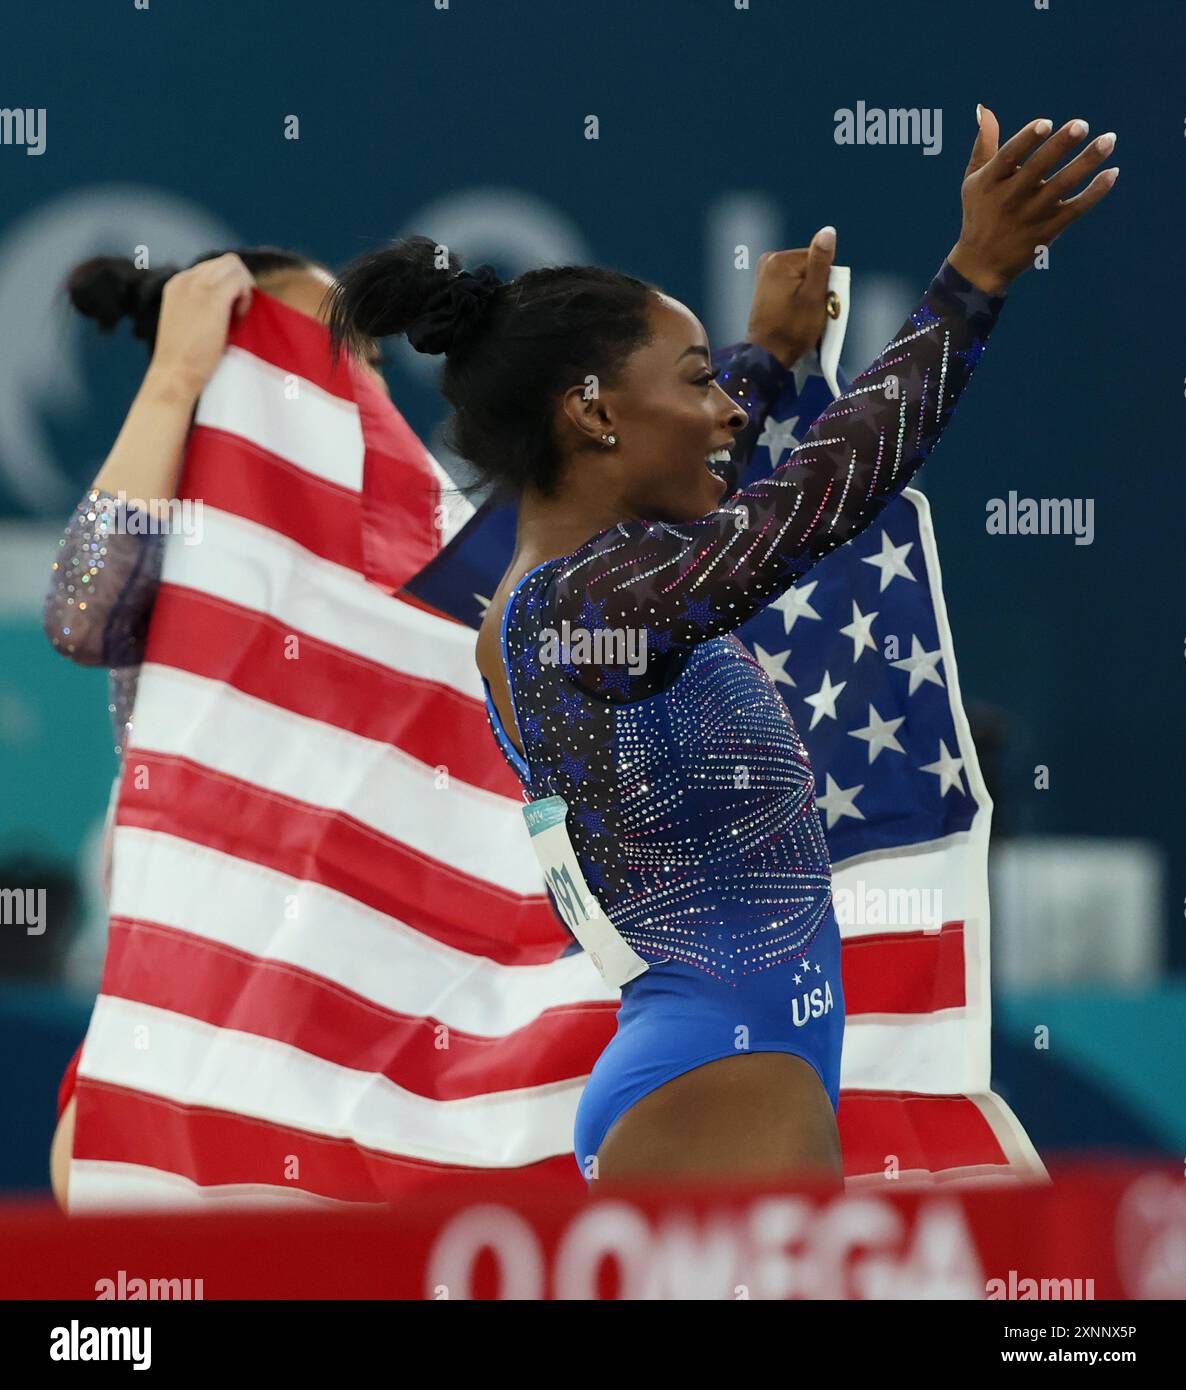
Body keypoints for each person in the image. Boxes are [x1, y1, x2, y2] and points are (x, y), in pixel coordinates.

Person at [329, 107, 1117, 1184]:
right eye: (694, 381)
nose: (727, 414)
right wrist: (970, 279)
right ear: (593, 412)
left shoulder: (597, 586)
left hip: (730, 1066)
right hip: (719, 1074)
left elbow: (728, 501)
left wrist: (765, 355)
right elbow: (804, 507)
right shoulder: (577, 608)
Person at [44, 246, 385, 1208]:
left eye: (368, 360)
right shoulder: (186, 543)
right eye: (328, 353)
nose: (361, 386)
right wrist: (173, 378)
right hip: (172, 1055)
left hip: (352, 1067)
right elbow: (81, 612)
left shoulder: (401, 545)